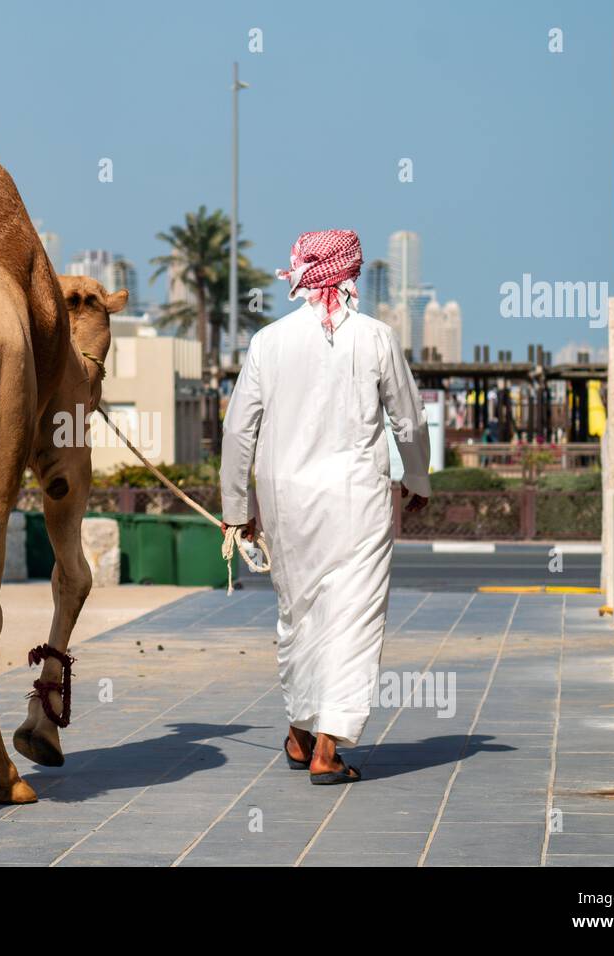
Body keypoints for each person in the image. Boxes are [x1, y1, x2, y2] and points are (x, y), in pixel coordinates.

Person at [220, 230, 431, 785]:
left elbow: (239, 429)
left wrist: (236, 507)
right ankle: (327, 748)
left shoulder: (268, 341)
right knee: (353, 619)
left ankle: (299, 731)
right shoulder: (376, 337)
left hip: (285, 501)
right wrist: (418, 476)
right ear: (351, 274)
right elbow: (408, 418)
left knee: (300, 615)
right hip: (356, 501)